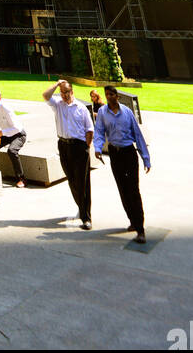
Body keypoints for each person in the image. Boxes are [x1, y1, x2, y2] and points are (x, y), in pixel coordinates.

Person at [94, 86, 151, 244]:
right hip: (115, 153)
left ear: (117, 96)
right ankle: (132, 220)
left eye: (112, 94)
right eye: (107, 94)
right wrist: (98, 148)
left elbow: (137, 135)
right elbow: (99, 131)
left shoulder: (126, 112)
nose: (109, 97)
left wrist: (145, 158)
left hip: (128, 153)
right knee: (123, 189)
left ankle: (140, 229)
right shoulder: (103, 114)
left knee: (133, 190)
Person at [43, 78, 94, 228]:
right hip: (64, 145)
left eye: (66, 92)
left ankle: (86, 217)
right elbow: (46, 95)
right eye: (62, 92)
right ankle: (82, 207)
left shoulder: (81, 108)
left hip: (79, 146)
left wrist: (87, 146)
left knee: (83, 181)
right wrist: (57, 84)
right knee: (71, 179)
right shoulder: (58, 105)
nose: (64, 95)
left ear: (72, 91)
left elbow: (89, 129)